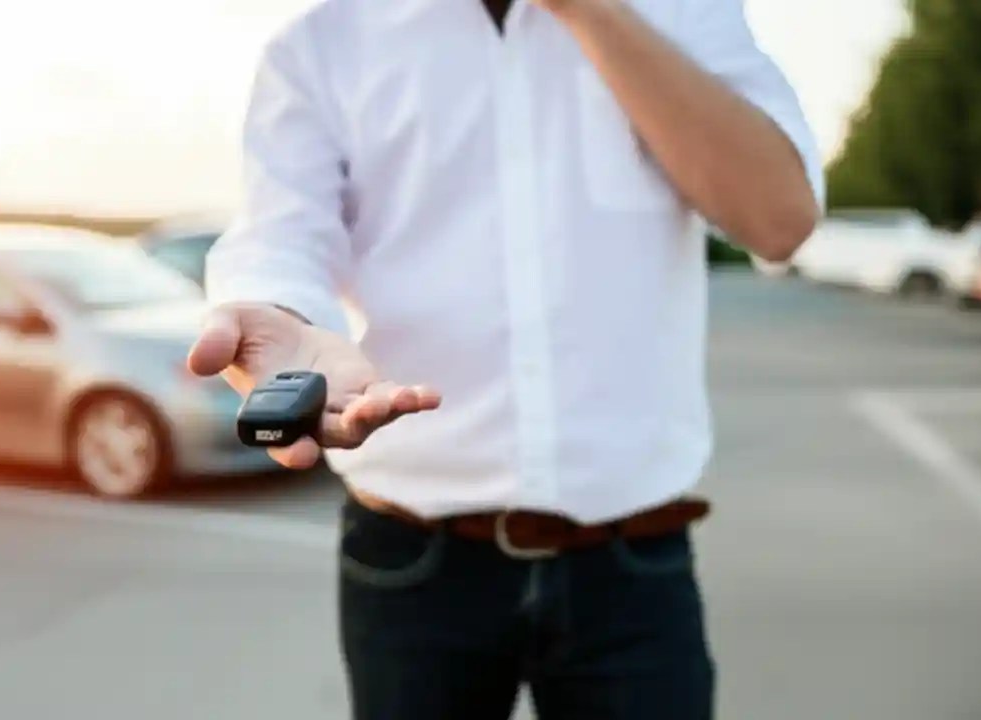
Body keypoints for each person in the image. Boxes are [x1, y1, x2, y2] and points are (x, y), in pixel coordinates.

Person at [187, 0, 823, 717]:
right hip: (411, 557)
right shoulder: (324, 41)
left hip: (632, 559)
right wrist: (281, 314)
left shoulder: (680, 10)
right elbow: (281, 237)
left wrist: (593, 13)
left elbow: (779, 219)